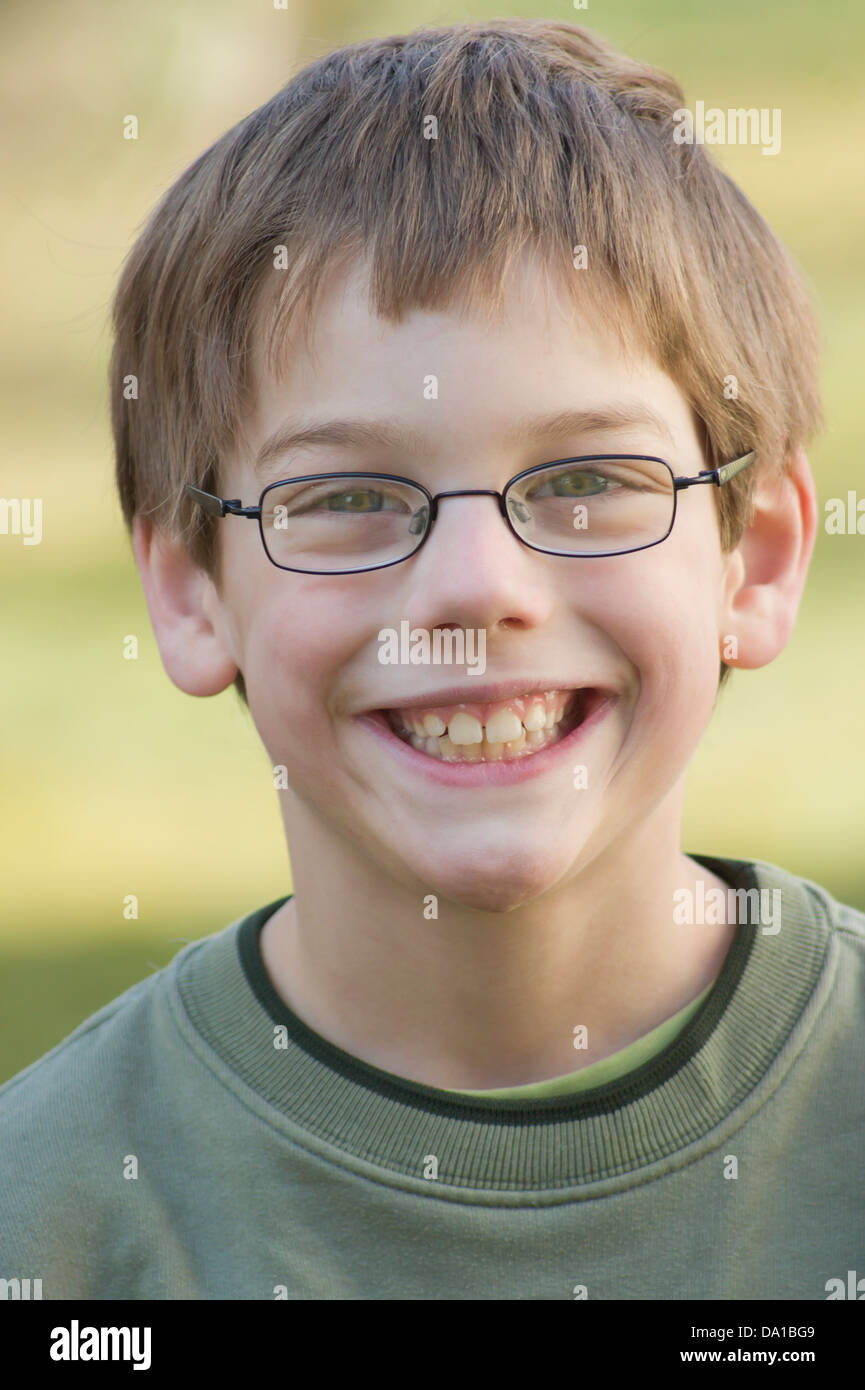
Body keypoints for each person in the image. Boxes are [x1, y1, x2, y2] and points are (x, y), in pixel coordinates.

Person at [2, 18, 862, 1301]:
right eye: (346, 493)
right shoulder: (49, 1219)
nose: (474, 587)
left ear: (758, 556)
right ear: (188, 589)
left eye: (585, 480)